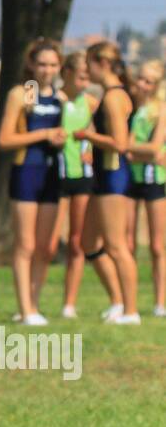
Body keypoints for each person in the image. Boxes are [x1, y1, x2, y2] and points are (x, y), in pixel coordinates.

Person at [0, 38, 65, 325]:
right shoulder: (20, 94)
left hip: (52, 176)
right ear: (31, 65)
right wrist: (43, 135)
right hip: (26, 173)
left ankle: (33, 305)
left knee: (45, 247)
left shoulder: (62, 99)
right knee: (24, 244)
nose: (47, 70)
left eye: (52, 64)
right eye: (42, 64)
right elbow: (4, 139)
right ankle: (26, 310)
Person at [52, 51, 122, 318]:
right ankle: (32, 304)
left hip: (83, 177)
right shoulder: (53, 100)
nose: (84, 82)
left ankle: (69, 304)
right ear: (66, 73)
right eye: (80, 76)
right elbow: (29, 102)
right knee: (47, 245)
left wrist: (92, 147)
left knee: (77, 242)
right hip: (56, 176)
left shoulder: (91, 102)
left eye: (86, 76)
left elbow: (103, 134)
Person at [75, 40, 139, 324]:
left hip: (113, 177)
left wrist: (88, 137)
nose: (87, 70)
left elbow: (121, 144)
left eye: (89, 64)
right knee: (88, 242)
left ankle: (131, 311)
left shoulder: (114, 97)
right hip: (102, 176)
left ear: (102, 64)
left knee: (116, 246)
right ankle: (117, 302)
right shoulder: (110, 95)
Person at [126, 60, 166, 316]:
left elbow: (153, 148)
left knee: (156, 245)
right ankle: (128, 302)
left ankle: (160, 301)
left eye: (148, 81)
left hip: (154, 179)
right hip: (131, 179)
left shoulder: (160, 110)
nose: (142, 85)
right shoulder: (131, 106)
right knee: (127, 243)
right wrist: (138, 152)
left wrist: (129, 148)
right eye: (140, 78)